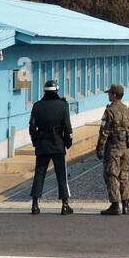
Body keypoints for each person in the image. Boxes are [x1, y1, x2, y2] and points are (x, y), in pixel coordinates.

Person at [28, 79, 73, 214]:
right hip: (58, 143)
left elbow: (31, 127)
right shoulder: (63, 106)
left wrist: (36, 141)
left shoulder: (37, 106)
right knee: (61, 175)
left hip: (42, 144)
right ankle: (65, 205)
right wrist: (67, 142)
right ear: (57, 91)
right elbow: (67, 127)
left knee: (39, 174)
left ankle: (35, 204)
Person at [96, 83, 129, 215]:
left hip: (113, 148)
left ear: (114, 95)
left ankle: (115, 205)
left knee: (112, 174)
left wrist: (99, 148)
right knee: (124, 175)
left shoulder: (109, 111)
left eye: (110, 93)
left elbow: (104, 131)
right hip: (125, 147)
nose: (108, 95)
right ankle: (126, 205)